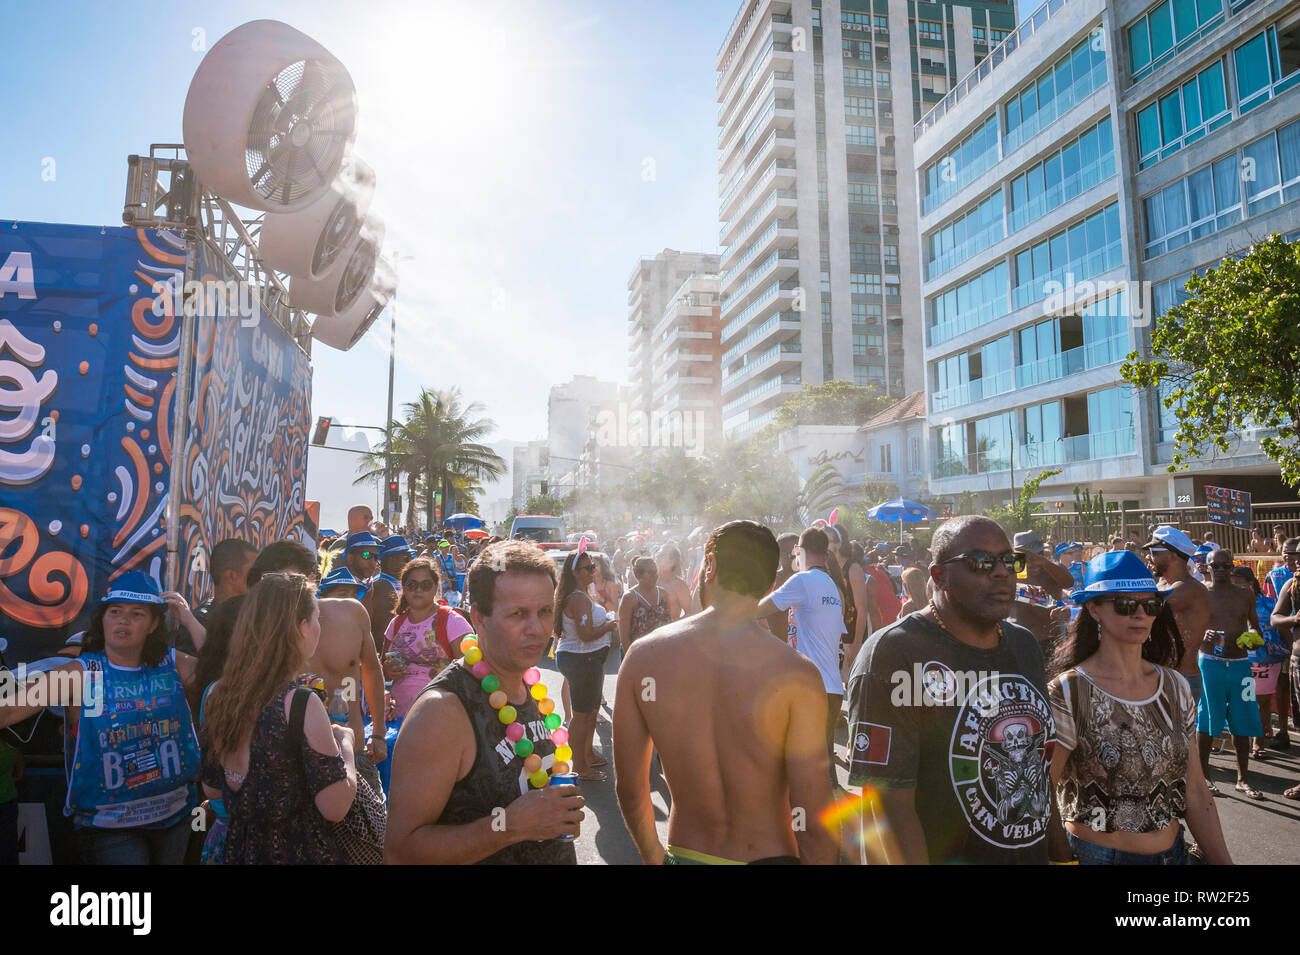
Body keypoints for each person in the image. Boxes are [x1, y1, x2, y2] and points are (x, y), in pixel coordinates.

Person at [614, 521, 837, 865]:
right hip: (768, 855)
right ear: (771, 583)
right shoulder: (797, 673)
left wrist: (653, 857)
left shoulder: (644, 657)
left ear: (711, 566)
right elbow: (811, 811)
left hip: (688, 853)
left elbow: (631, 790)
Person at [847, 515, 1054, 865]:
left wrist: (1062, 857)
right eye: (981, 562)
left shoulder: (1024, 645)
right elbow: (887, 807)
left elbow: (1041, 769)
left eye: (1008, 560)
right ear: (938, 574)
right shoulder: (895, 653)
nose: (1001, 572)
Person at [384, 540, 583, 863]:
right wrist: (512, 826)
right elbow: (401, 851)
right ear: (478, 617)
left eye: (545, 611)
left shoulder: (529, 682)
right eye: (518, 614)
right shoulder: (442, 711)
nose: (537, 629)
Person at [0, 572, 204, 864]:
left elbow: (228, 684)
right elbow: (7, 710)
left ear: (154, 624)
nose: (123, 620)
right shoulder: (81, 673)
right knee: (128, 909)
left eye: (137, 614)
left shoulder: (171, 664)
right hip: (110, 828)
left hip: (176, 817)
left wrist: (189, 620)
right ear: (103, 619)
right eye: (115, 612)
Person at [1047, 551, 1230, 865]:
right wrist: (1061, 860)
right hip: (1096, 857)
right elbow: (1040, 792)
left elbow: (1197, 792)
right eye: (1125, 605)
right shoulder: (1070, 691)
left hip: (1174, 856)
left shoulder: (1174, 686)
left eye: (1152, 605)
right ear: (1093, 609)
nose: (1141, 614)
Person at [200, 573, 357, 864]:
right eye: (316, 619)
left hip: (238, 850)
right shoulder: (299, 703)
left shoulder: (217, 695)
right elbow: (335, 806)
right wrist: (345, 743)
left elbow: (212, 788)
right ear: (300, 629)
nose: (319, 628)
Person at [756, 527, 847, 785]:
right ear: (827, 556)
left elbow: (759, 609)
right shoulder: (831, 586)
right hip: (831, 689)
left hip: (809, 686)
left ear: (799, 551)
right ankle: (830, 820)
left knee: (802, 769)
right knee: (824, 768)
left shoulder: (804, 581)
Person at [309, 557, 389, 796]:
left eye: (356, 593)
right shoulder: (274, 624)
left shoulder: (354, 613)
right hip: (298, 757)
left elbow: (372, 670)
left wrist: (379, 733)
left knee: (372, 830)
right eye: (343, 592)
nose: (350, 599)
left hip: (353, 751)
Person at [1198, 548, 1265, 801]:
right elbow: (1188, 627)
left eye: (1227, 566)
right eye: (1217, 566)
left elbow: (1255, 628)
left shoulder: (1245, 594)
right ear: (1208, 566)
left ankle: (1243, 779)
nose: (1223, 571)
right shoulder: (1201, 593)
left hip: (1240, 664)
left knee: (1243, 719)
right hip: (1210, 662)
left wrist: (1251, 640)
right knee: (1206, 720)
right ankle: (1205, 776)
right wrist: (1203, 634)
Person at [553, 548, 619, 780]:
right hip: (581, 659)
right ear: (575, 573)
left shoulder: (581, 594)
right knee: (581, 715)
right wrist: (610, 626)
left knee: (590, 712)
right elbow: (586, 634)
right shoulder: (578, 598)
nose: (594, 570)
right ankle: (579, 766)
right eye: (589, 568)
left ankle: (588, 755)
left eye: (593, 566)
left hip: (586, 659)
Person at [383, 557, 472, 723]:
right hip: (399, 716)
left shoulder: (452, 621)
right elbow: (382, 672)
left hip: (441, 716)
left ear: (436, 587)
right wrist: (388, 670)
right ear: (404, 588)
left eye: (426, 585)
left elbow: (469, 674)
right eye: (412, 585)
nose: (418, 590)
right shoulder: (396, 624)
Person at [1143, 526, 1209, 706]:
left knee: (1176, 734)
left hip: (1181, 679)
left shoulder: (1189, 588)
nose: (1149, 557)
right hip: (1159, 675)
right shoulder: (1161, 584)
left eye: (1154, 552)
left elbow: (1145, 609)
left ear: (1173, 555)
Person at [1232, 565, 1288, 758]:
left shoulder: (1270, 604)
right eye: (1232, 583)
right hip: (1239, 659)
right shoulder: (1229, 604)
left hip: (1267, 659)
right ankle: (1243, 741)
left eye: (1239, 583)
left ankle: (1258, 742)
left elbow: (1281, 627)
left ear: (1251, 583)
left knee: (1263, 702)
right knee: (1243, 701)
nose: (1235, 587)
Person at [1008, 529, 1076, 647]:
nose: (1033, 562)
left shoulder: (1051, 568)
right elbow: (990, 587)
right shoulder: (1011, 571)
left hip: (1050, 639)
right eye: (1027, 557)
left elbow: (1068, 582)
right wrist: (1018, 587)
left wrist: (1044, 563)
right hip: (1018, 639)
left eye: (1037, 555)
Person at [617, 556, 675, 657]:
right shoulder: (630, 598)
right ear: (638, 574)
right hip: (639, 654)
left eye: (656, 571)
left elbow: (670, 624)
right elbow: (624, 636)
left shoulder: (663, 594)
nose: (655, 576)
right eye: (651, 572)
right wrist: (630, 659)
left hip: (662, 652)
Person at [370, 535, 414, 651]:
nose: (410, 562)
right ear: (391, 560)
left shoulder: (393, 582)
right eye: (406, 558)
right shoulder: (382, 587)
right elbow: (382, 631)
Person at [766, 532, 800, 642]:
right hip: (778, 647)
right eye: (793, 554)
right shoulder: (771, 580)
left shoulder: (808, 580)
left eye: (801, 553)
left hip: (804, 651)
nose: (797, 558)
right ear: (779, 556)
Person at [655, 544, 692, 621]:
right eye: (657, 554)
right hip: (649, 633)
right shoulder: (649, 581)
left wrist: (674, 626)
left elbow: (690, 613)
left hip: (669, 631)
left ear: (672, 561)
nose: (657, 557)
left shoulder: (679, 585)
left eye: (661, 555)